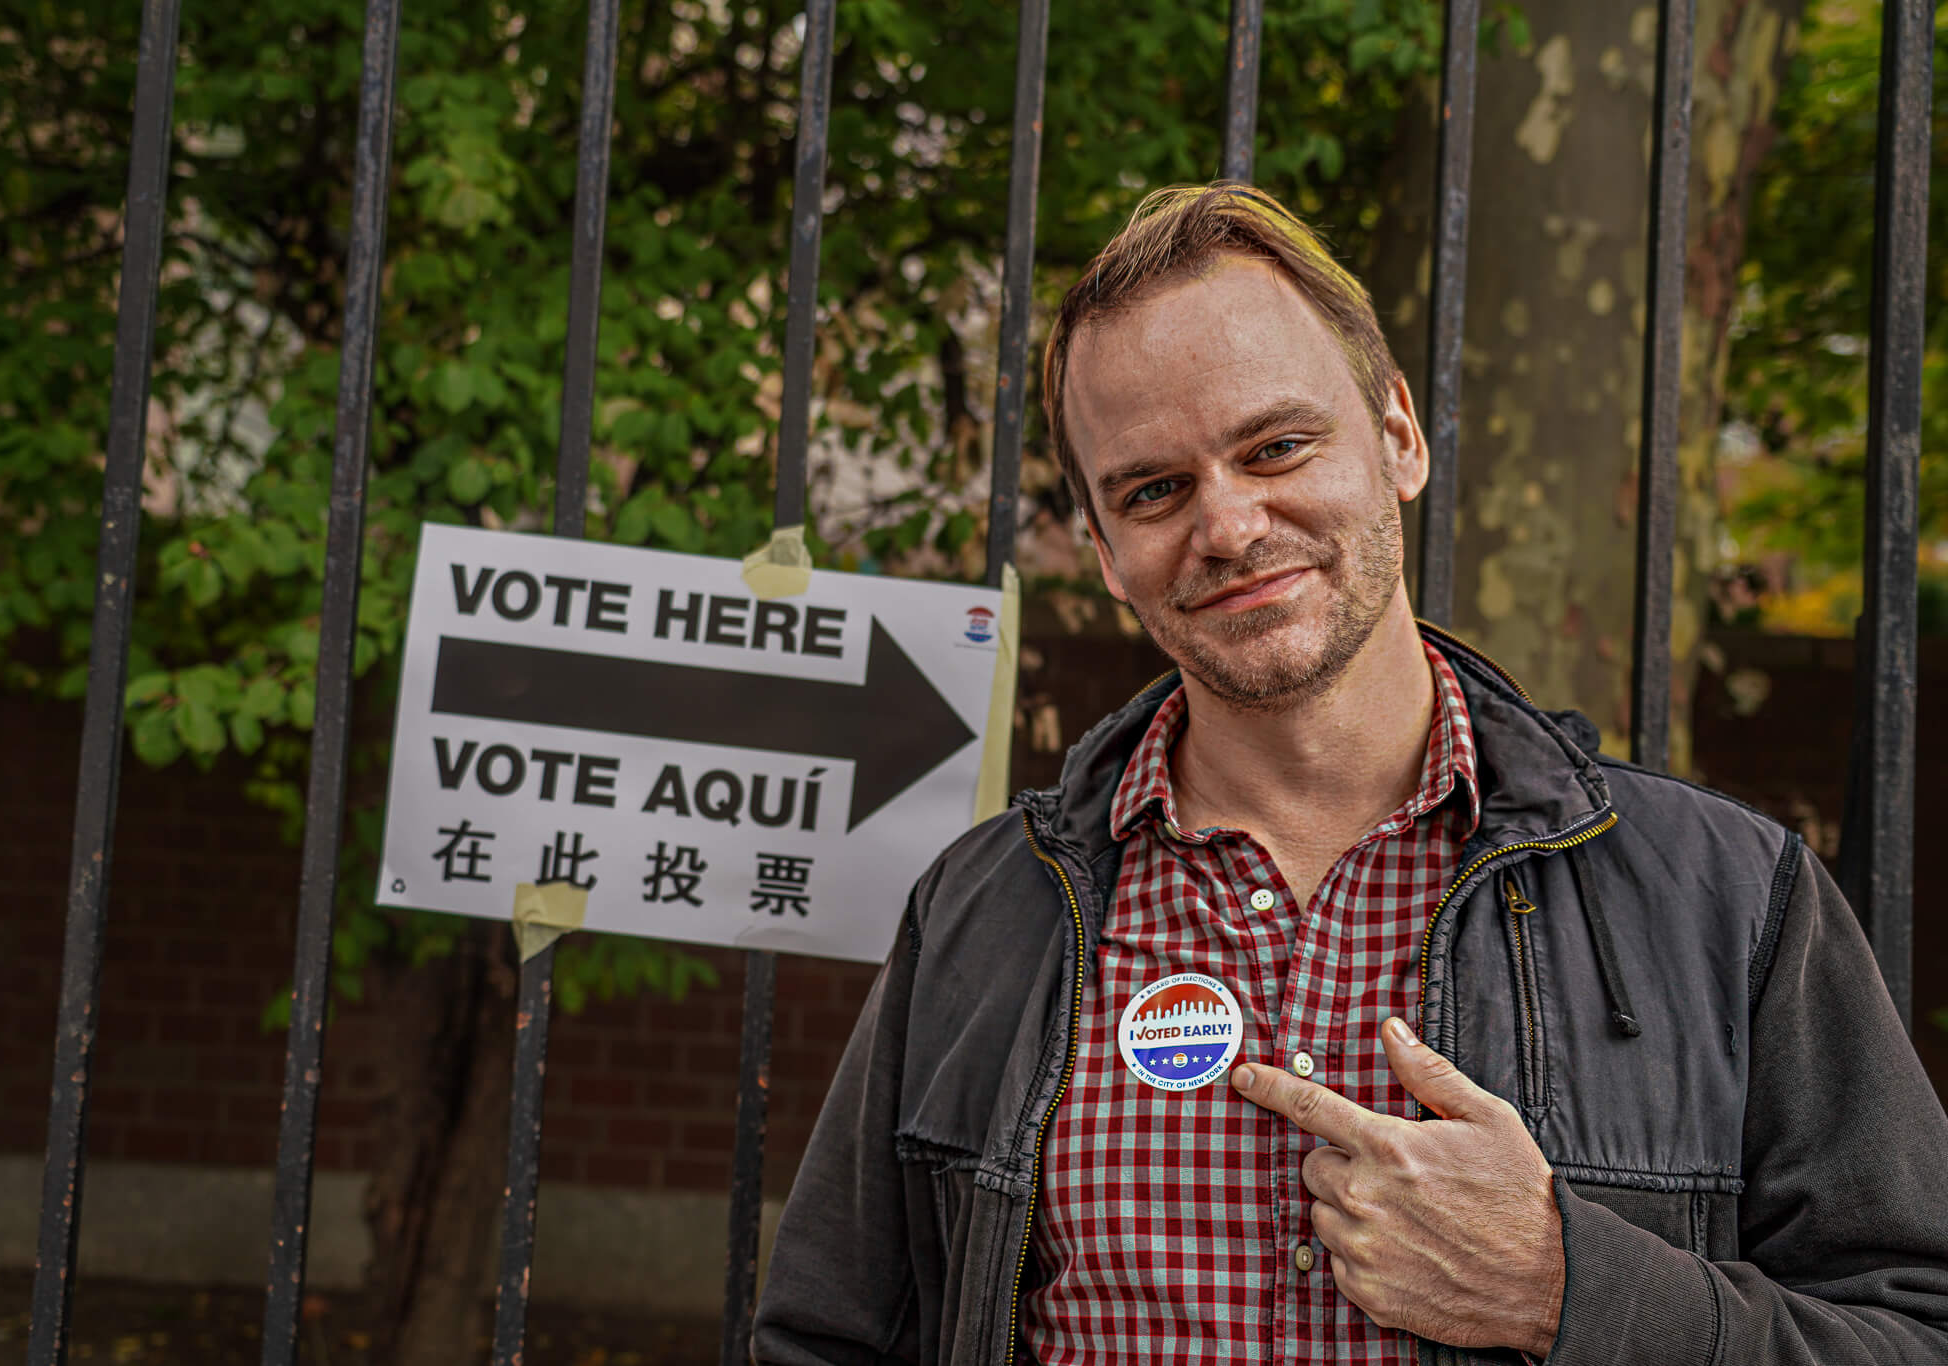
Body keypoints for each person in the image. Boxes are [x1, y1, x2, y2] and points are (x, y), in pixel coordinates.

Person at [750, 183, 1948, 1366]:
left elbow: (1910, 1326)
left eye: (1275, 445)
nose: (1225, 525)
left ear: (1397, 439)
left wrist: (1565, 1290)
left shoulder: (1724, 900)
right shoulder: (984, 912)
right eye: (1153, 489)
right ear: (1106, 552)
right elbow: (828, 1336)